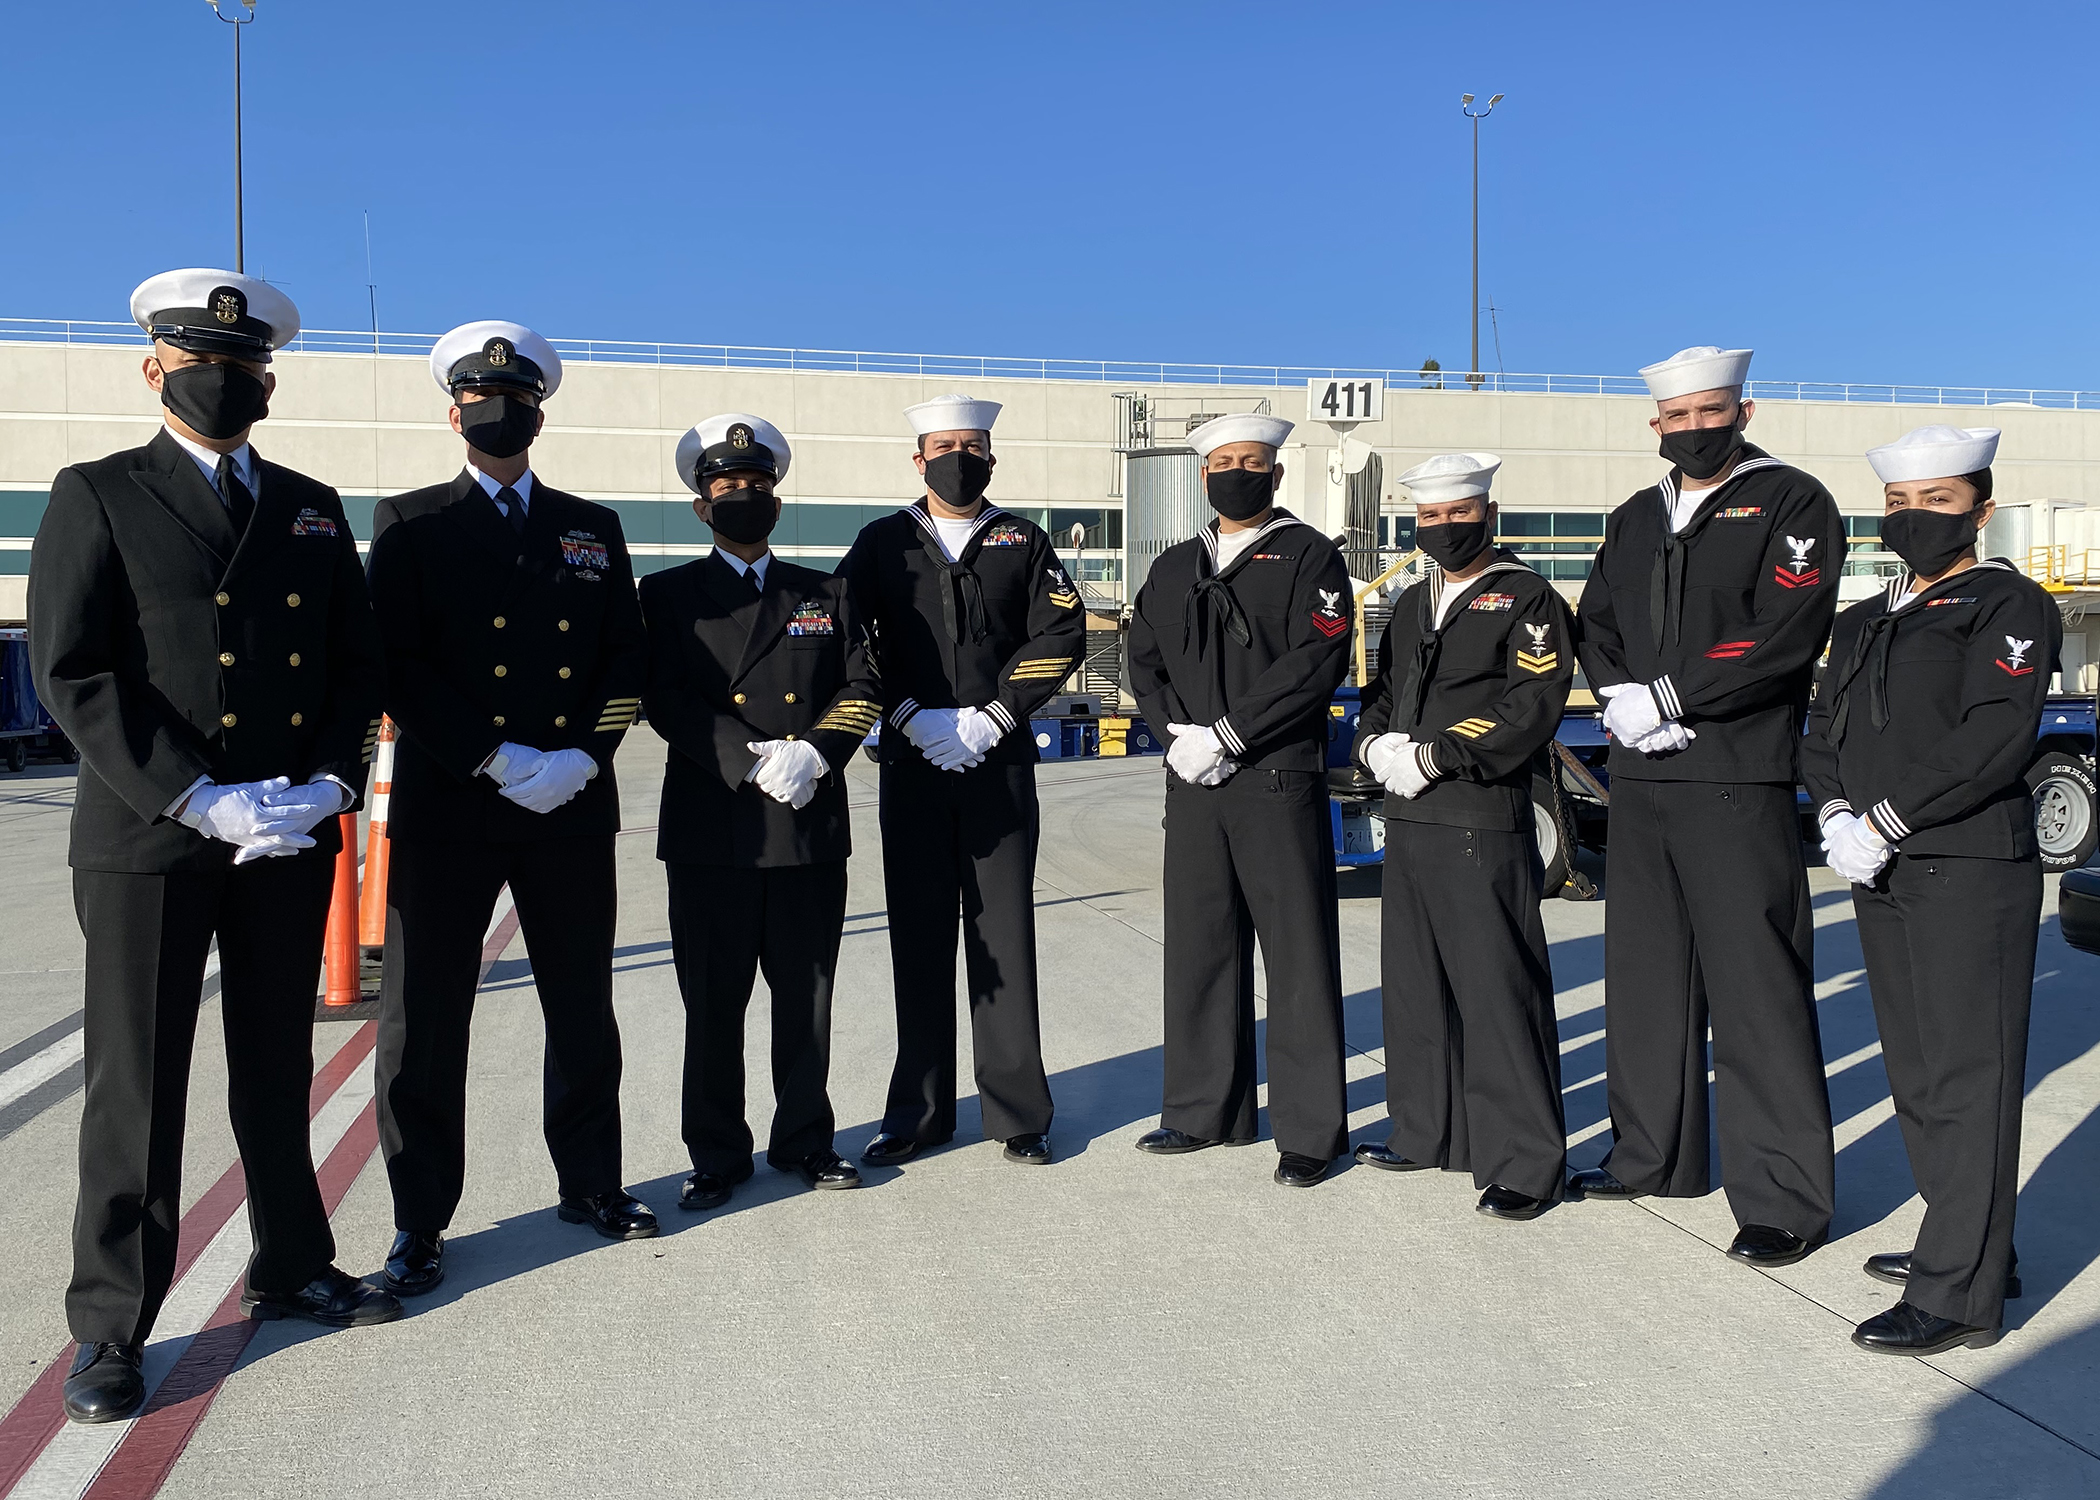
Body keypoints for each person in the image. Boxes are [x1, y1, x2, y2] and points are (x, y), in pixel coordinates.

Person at [29, 269, 399, 1423]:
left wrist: (333, 783)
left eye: (242, 368)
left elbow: (356, 664)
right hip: (152, 838)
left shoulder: (308, 503)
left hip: (284, 837)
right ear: (153, 368)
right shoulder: (96, 492)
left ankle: (290, 1261)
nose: (221, 381)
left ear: (269, 381)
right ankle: (109, 1325)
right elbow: (73, 672)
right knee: (136, 1087)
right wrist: (196, 797)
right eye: (198, 361)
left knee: (272, 1065)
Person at [366, 320, 654, 1298]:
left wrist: (585, 754)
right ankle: (418, 1218)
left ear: (540, 411)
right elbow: (393, 664)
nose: (500, 409)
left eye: (518, 396)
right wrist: (491, 756)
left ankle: (592, 1183)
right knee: (426, 1020)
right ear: (454, 413)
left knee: (580, 1005)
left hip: (569, 802)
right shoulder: (406, 524)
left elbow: (627, 658)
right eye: (482, 397)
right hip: (453, 804)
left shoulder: (590, 528)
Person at [1571, 345, 1843, 1267]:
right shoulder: (1634, 516)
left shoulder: (1792, 501)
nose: (1694, 428)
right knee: (1647, 983)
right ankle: (1653, 1153)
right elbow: (1595, 623)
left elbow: (1786, 627)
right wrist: (1618, 699)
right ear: (1655, 425)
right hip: (1643, 775)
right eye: (1676, 416)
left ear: (1745, 411)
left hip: (1734, 773)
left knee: (1756, 991)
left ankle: (1785, 1199)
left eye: (1710, 411)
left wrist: (1677, 697)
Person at [1801, 425, 2058, 1356]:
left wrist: (1887, 820)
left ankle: (1960, 1297)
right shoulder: (1862, 619)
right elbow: (1823, 730)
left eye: (1938, 502)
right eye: (1902, 505)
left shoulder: (2010, 606)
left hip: (1966, 866)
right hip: (1881, 867)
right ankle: (1969, 1243)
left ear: (1981, 509)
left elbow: (1993, 734)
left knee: (1967, 1076)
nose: (1915, 519)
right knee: (1915, 1072)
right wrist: (1833, 814)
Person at [837, 393, 1085, 1167]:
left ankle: (1018, 1114)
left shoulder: (1024, 539)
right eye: (943, 445)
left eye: (972, 445)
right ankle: (917, 1112)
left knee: (1003, 937)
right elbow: (847, 637)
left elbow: (1062, 629)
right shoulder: (881, 543)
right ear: (917, 458)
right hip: (913, 764)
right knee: (917, 937)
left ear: (991, 455)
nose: (958, 457)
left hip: (997, 766)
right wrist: (907, 714)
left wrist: (996, 715)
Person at [641, 413, 881, 1209]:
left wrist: (816, 749)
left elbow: (863, 684)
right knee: (713, 1005)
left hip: (807, 818)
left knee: (806, 1000)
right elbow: (665, 697)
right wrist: (751, 756)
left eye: (756, 486)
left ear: (776, 502)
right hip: (716, 829)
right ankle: (715, 1153)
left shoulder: (825, 590)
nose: (743, 496)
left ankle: (806, 1139)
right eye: (726, 487)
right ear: (702, 508)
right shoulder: (668, 595)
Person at [1125, 413, 1353, 1187]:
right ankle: (1201, 1111)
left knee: (1296, 958)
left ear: (1277, 473)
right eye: (1222, 462)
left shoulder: (1309, 556)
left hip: (1273, 776)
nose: (1236, 472)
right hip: (1192, 781)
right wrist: (1176, 738)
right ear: (1203, 477)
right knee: (1199, 948)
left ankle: (1311, 1130)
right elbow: (1143, 659)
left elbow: (1317, 658)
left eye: (1250, 461)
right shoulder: (1174, 565)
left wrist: (1228, 734)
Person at [1351, 454, 1574, 1219]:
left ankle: (1525, 1160)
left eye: (1459, 514)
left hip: (1479, 814)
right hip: (1410, 819)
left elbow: (1533, 701)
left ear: (1488, 511)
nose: (1445, 528)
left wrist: (1439, 753)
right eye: (1431, 517)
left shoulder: (1526, 597)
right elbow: (1384, 692)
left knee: (1496, 993)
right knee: (1416, 990)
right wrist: (1375, 745)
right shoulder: (1413, 600)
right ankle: (1425, 1130)